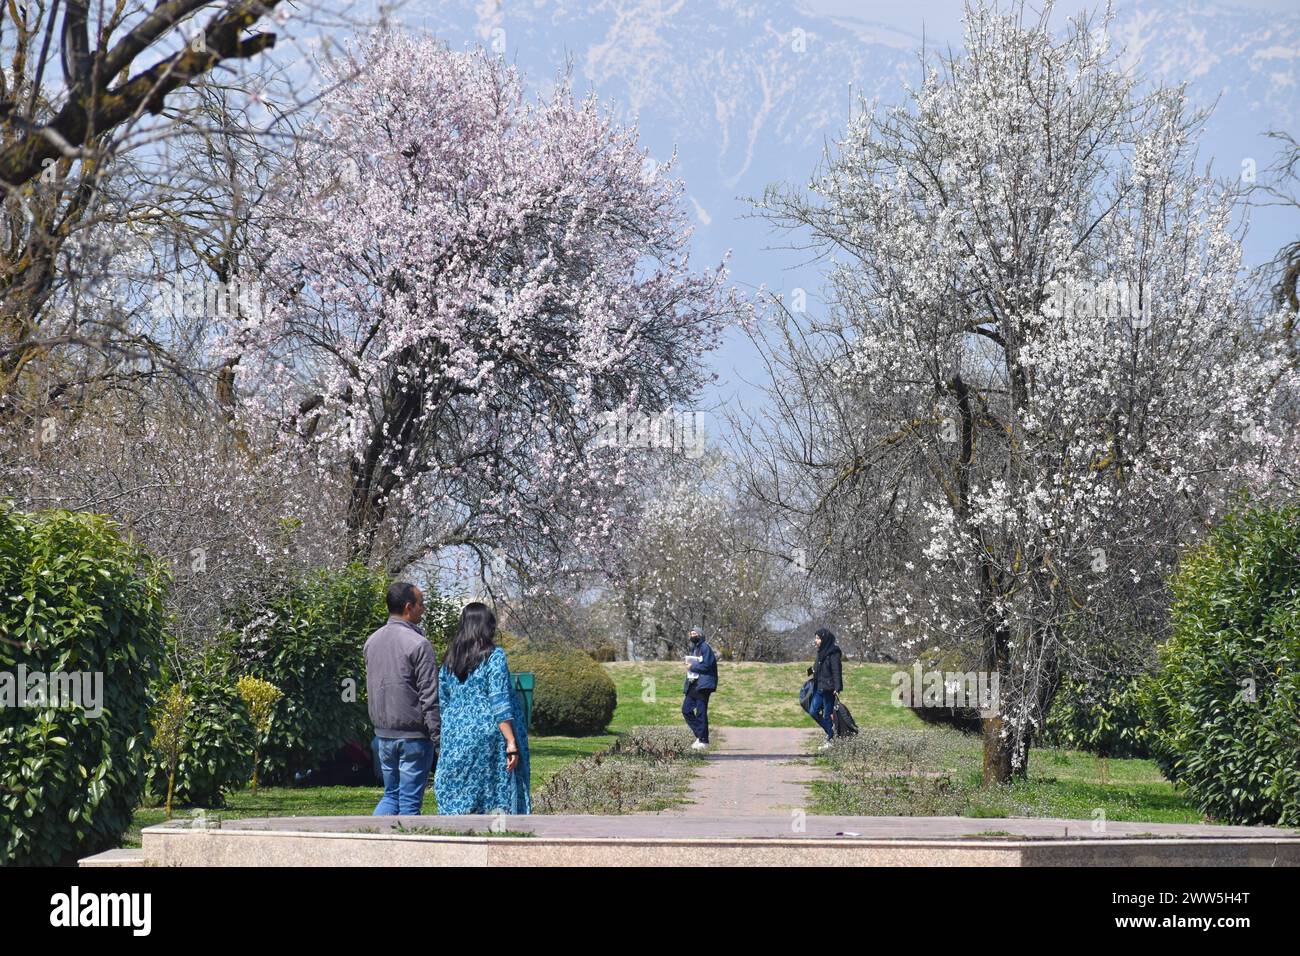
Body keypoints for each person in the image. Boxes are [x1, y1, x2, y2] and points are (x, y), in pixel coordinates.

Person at [434, 602, 531, 815]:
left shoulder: (449, 660)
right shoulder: (494, 656)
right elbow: (499, 701)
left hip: (455, 736)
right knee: (493, 796)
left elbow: (443, 702)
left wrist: (446, 735)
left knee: (460, 797)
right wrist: (512, 742)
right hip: (488, 736)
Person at [365, 582, 440, 815]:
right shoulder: (419, 644)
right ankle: (407, 849)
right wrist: (438, 737)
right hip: (413, 736)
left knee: (391, 796)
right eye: (421, 604)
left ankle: (372, 844)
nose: (423, 609)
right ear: (409, 607)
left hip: (383, 734)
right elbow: (429, 695)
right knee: (408, 803)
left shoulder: (371, 641)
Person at [681, 626, 718, 750]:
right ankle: (701, 735)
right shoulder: (694, 648)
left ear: (700, 635)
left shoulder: (705, 648)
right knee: (686, 710)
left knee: (701, 712)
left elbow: (707, 665)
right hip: (693, 684)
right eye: (691, 633)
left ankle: (704, 740)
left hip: (703, 685)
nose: (692, 636)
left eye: (694, 633)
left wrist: (691, 667)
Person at [807, 628, 843, 749]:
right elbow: (817, 666)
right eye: (816, 638)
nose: (816, 640)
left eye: (818, 638)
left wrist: (837, 687)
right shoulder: (820, 652)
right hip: (819, 687)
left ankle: (830, 739)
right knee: (813, 711)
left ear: (825, 639)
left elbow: (836, 671)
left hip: (829, 689)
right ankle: (831, 733)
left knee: (827, 715)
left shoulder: (833, 653)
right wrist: (811, 671)